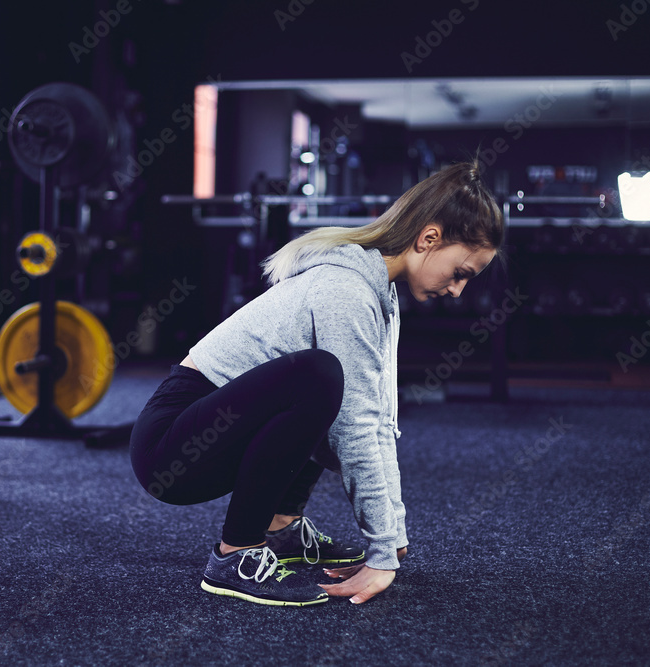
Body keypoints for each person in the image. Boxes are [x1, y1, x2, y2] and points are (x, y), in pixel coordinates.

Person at [129, 160, 504, 606]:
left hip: (213, 433)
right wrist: (382, 549)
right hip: (170, 448)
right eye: (460, 272)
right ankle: (235, 553)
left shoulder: (378, 292)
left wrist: (391, 534)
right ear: (428, 239)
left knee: (329, 387)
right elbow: (355, 428)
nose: (458, 290)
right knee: (319, 377)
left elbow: (378, 418)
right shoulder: (345, 291)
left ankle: (281, 530)